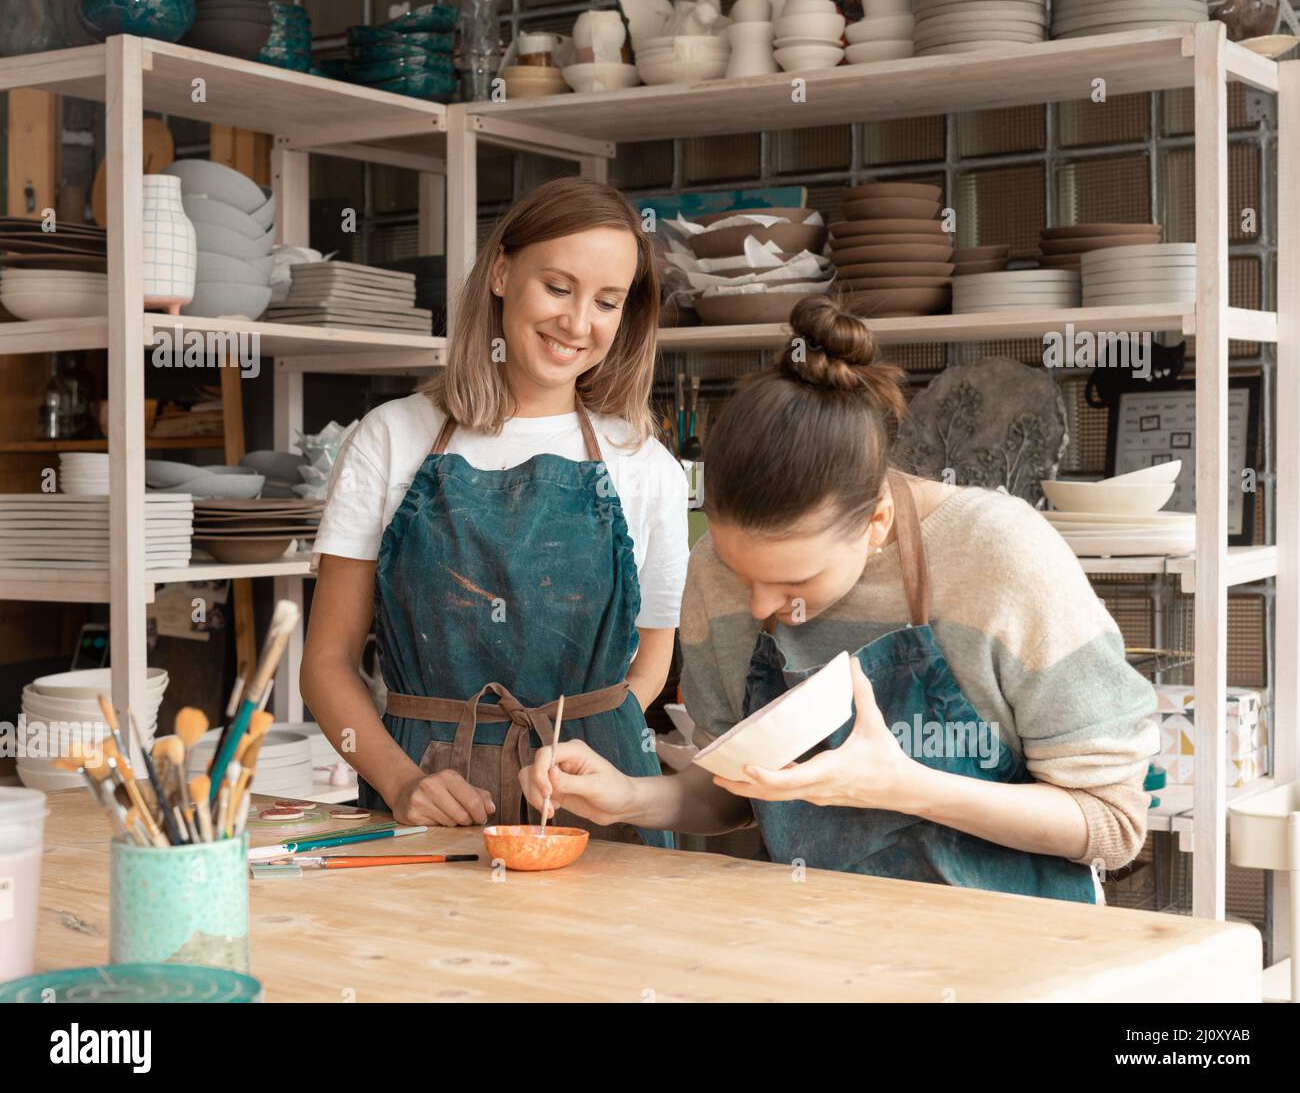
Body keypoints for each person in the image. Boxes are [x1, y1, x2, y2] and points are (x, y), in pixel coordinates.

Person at [521, 294, 1159, 901]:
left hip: (1011, 954)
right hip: (814, 947)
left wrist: (905, 788)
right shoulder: (711, 570)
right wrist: (630, 796)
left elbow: (1112, 823)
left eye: (795, 584)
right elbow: (735, 792)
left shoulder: (1000, 557)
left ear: (877, 521)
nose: (759, 607)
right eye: (743, 574)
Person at [302, 176, 688, 847]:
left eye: (607, 301)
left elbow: (653, 659)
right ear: (503, 271)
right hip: (432, 802)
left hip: (593, 804)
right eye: (559, 288)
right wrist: (401, 782)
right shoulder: (393, 437)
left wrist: (596, 740)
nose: (577, 323)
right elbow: (326, 661)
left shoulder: (644, 463)